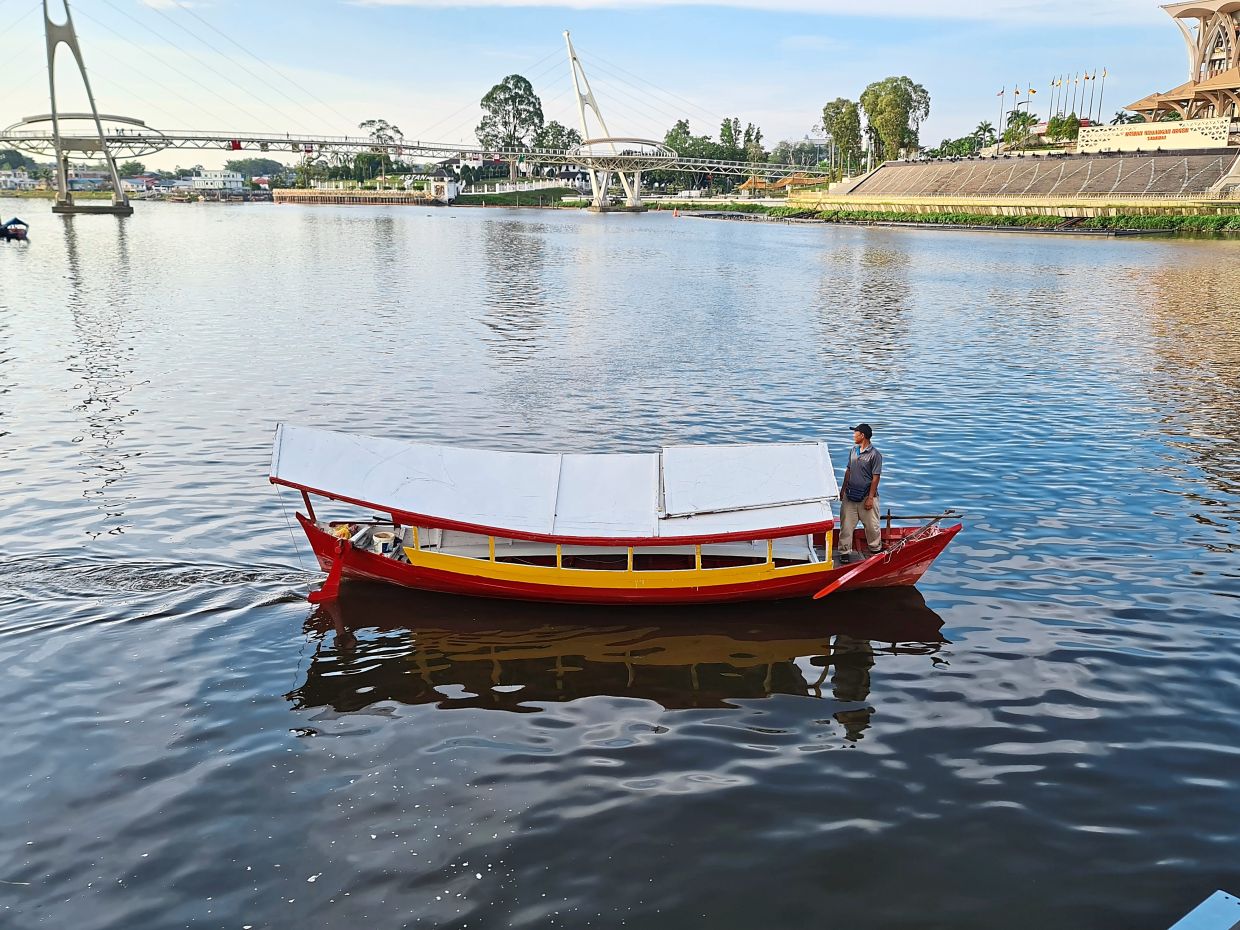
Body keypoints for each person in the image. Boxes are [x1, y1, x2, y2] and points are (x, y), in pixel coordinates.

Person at [838, 423, 883, 562]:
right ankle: (844, 552)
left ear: (862, 435)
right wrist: (843, 489)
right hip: (850, 495)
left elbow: (876, 477)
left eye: (855, 433)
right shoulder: (853, 450)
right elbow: (848, 471)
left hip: (866, 497)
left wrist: (870, 498)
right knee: (846, 525)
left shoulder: (875, 455)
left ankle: (875, 549)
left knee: (872, 526)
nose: (853, 435)